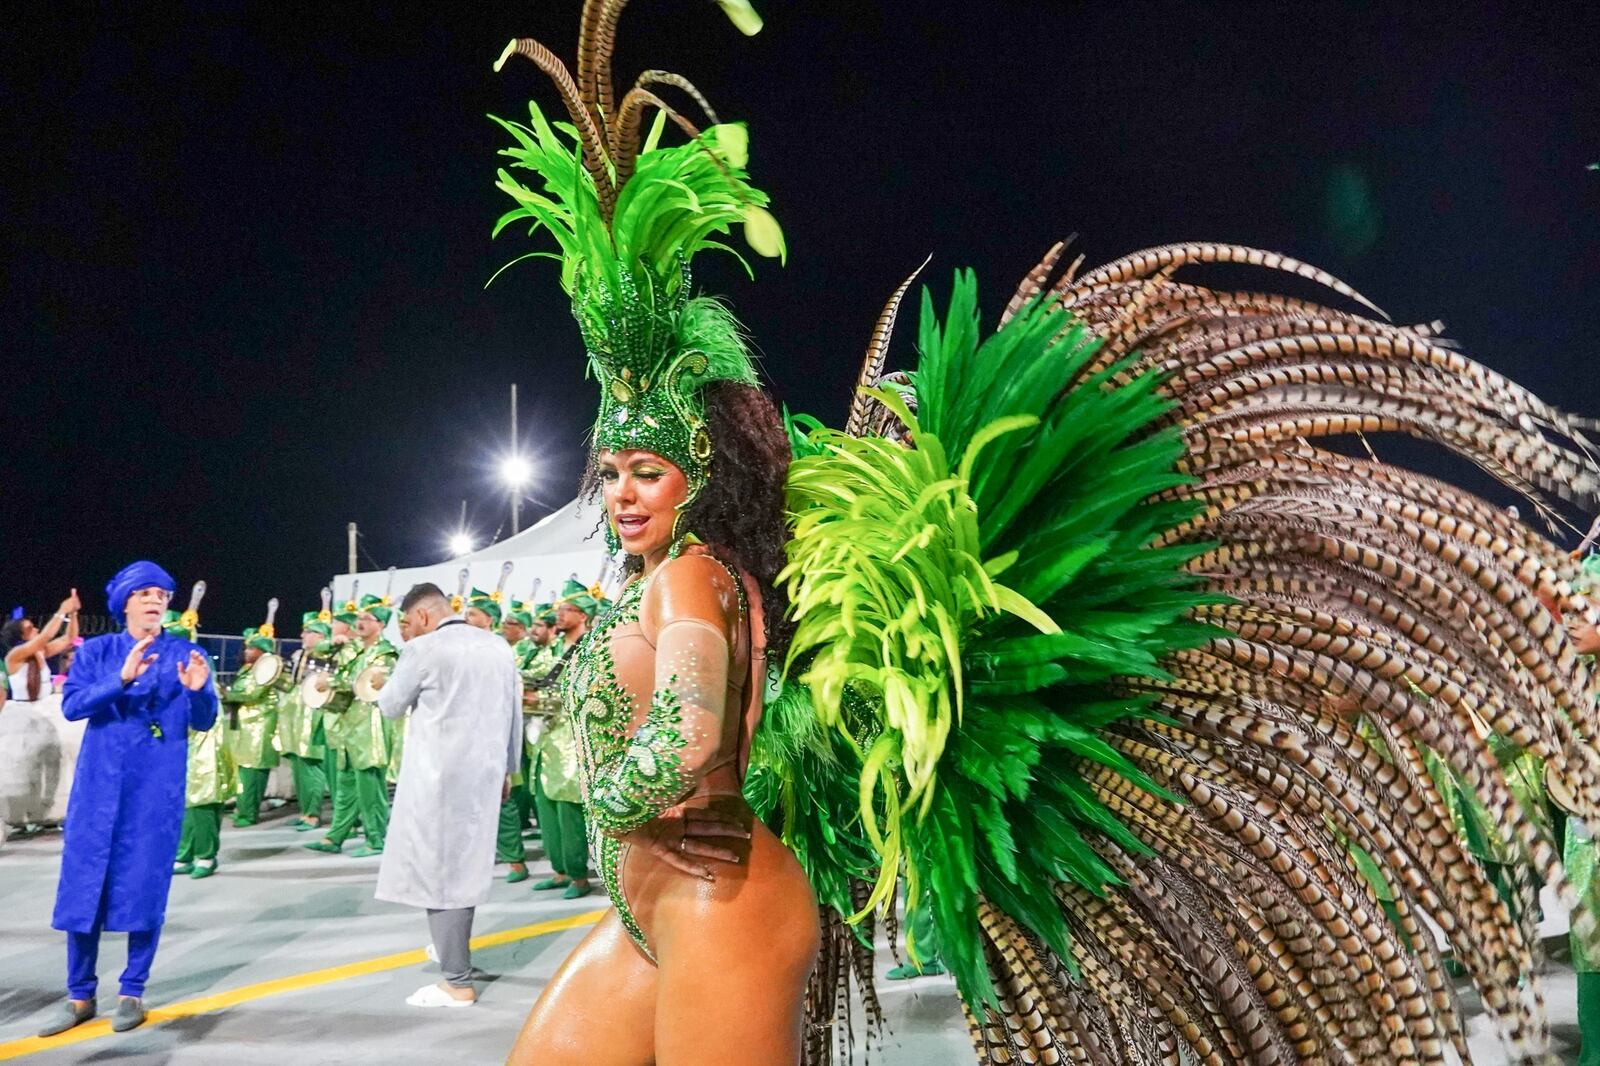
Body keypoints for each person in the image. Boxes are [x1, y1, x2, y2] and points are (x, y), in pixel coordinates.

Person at [38, 561, 216, 1037]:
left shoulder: (188, 653)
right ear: (125, 603)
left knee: (144, 883)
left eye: (161, 594)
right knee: (84, 885)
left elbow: (204, 720)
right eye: (144, 593)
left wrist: (199, 692)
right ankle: (79, 995)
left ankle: (132, 990)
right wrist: (120, 677)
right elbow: (73, 706)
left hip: (156, 787)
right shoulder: (98, 651)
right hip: (97, 787)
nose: (155, 600)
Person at [375, 583, 521, 1007]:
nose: (409, 629)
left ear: (422, 616)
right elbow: (513, 713)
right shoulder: (497, 646)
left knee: (441, 874)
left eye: (408, 622)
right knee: (466, 866)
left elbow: (389, 705)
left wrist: (384, 683)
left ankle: (456, 982)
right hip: (486, 773)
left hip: (439, 778)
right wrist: (509, 770)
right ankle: (450, 949)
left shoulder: (423, 649)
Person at [305, 595, 396, 856]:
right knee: (345, 784)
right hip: (348, 722)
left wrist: (332, 682)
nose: (360, 622)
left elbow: (363, 682)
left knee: (370, 786)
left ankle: (375, 839)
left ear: (381, 624)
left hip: (370, 724)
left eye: (367, 619)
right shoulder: (353, 648)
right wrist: (332, 642)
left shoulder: (386, 653)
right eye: (359, 618)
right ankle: (335, 837)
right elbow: (319, 651)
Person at [526, 582, 596, 900]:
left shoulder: (591, 648)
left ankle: (578, 876)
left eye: (567, 610)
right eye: (559, 609)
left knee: (568, 810)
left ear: (583, 615)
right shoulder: (550, 651)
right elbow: (534, 679)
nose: (560, 614)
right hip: (545, 739)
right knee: (546, 807)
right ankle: (560, 871)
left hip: (570, 740)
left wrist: (539, 698)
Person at [169, 608, 232, 880]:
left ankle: (206, 855)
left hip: (202, 735)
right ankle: (183, 853)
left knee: (203, 798)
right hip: (179, 738)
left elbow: (201, 706)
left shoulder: (195, 660)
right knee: (183, 800)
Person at [276, 612, 332, 830]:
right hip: (295, 717)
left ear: (321, 636)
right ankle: (305, 811)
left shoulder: (326, 656)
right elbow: (291, 684)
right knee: (299, 766)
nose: (302, 635)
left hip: (312, 716)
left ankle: (313, 814)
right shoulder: (299, 655)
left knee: (310, 766)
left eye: (308, 632)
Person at [223, 625, 282, 827]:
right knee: (243, 772)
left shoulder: (267, 668)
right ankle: (242, 809)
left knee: (253, 773)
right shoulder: (248, 669)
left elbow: (252, 694)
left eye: (251, 648)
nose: (246, 652)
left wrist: (226, 695)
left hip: (259, 727)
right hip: (246, 727)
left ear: (262, 651)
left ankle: (249, 814)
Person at [4, 590, 80, 702]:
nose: (36, 629)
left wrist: (73, 614)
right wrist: (62, 610)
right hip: (23, 709)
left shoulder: (41, 652)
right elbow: (46, 635)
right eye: (30, 629)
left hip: (44, 707)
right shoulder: (14, 656)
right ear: (21, 637)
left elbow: (69, 638)